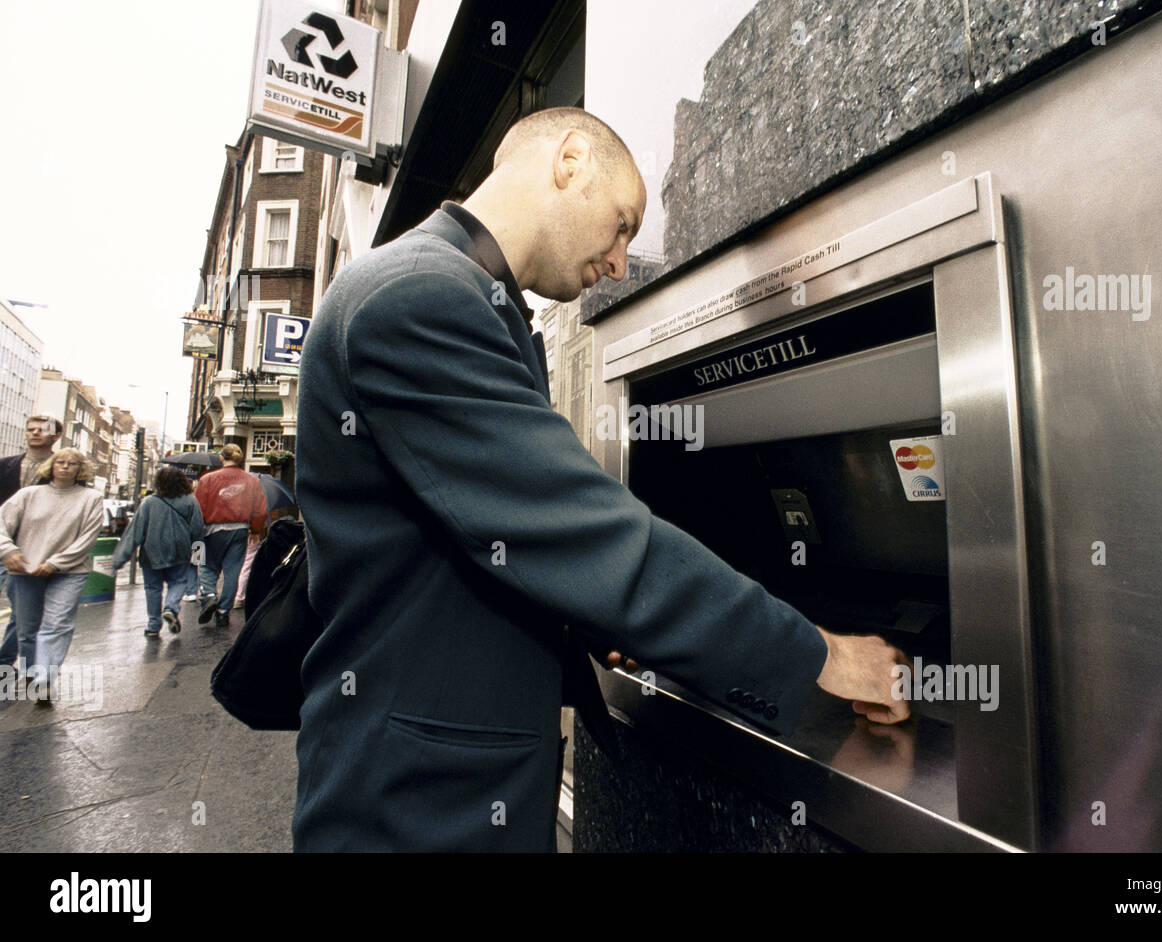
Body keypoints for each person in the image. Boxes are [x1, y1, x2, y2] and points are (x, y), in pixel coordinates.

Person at [293, 107, 908, 852]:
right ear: (570, 160)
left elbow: (478, 546)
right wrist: (826, 656)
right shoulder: (418, 296)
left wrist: (593, 620)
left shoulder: (463, 297)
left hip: (439, 789)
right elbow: (584, 533)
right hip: (415, 808)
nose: (620, 263)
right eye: (622, 224)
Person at [0, 448, 103, 704]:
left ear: (81, 470)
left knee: (56, 626)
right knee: (26, 629)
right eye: (60, 462)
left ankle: (43, 682)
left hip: (69, 572)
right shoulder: (28, 495)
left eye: (72, 464)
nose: (65, 467)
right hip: (25, 569)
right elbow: (2, 526)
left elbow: (87, 538)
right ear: (51, 466)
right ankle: (27, 673)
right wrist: (7, 550)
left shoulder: (90, 498)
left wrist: (55, 563)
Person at [111, 466, 205, 637]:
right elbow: (198, 529)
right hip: (179, 551)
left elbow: (134, 532)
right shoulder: (190, 501)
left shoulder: (148, 502)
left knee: (152, 588)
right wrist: (198, 556)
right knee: (178, 582)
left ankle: (154, 625)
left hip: (151, 553)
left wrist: (118, 560)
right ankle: (171, 608)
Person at [0, 414, 61, 665]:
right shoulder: (4, 466)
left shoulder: (63, 469)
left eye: (42, 429)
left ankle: (4, 661)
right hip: (2, 542)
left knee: (23, 613)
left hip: (33, 550)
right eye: (30, 429)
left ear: (55, 436)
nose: (35, 433)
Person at [193, 445, 266, 628]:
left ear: (221, 458)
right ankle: (223, 612)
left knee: (207, 566)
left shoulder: (207, 479)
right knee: (233, 572)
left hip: (211, 529)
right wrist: (256, 530)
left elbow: (198, 509)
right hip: (240, 530)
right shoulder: (252, 481)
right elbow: (260, 509)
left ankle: (209, 595)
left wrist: (195, 535)